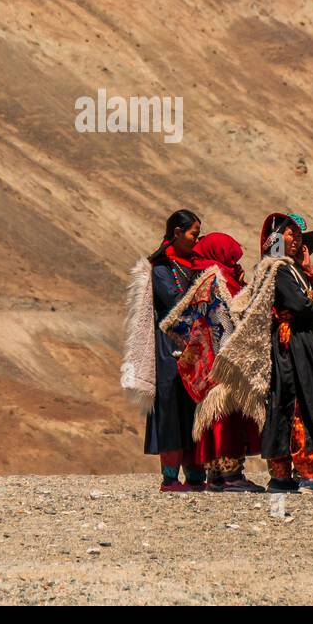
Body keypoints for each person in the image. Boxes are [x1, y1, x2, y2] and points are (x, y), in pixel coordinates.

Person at [195, 212, 313, 494]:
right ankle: (306, 475)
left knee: (294, 404)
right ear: (276, 239)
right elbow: (300, 305)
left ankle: (286, 476)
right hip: (291, 347)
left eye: (299, 237)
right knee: (295, 405)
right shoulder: (276, 269)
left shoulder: (293, 269)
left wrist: (311, 275)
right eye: (292, 235)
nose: (298, 242)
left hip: (302, 342)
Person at [122, 209, 209, 491]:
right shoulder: (161, 269)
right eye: (193, 234)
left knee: (193, 408)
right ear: (177, 233)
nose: (196, 240)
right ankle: (170, 478)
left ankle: (195, 475)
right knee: (171, 407)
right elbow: (174, 304)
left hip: (193, 348)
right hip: (168, 349)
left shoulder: (191, 266)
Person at [190, 232, 264, 491]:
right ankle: (231, 475)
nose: (236, 260)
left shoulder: (205, 277)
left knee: (216, 416)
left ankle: (216, 475)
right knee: (226, 416)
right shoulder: (217, 280)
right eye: (232, 254)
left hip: (209, 362)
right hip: (225, 361)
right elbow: (228, 317)